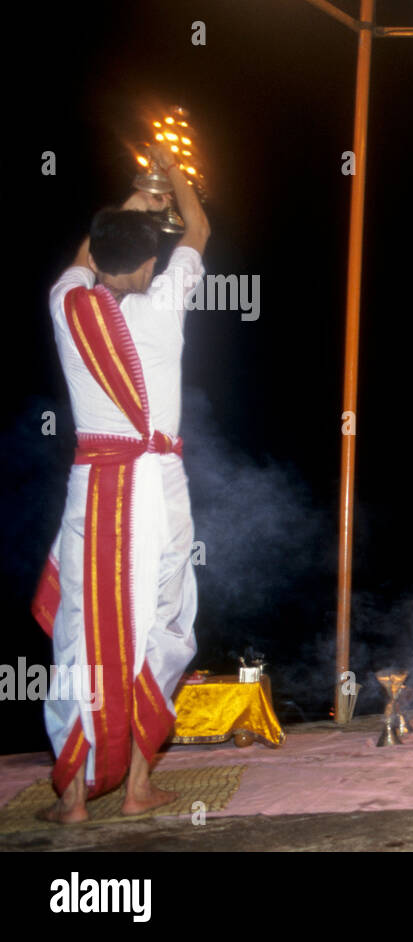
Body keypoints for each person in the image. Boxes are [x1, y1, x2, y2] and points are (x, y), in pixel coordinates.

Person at [32, 141, 211, 822]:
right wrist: (178, 182)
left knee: (85, 636)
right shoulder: (164, 302)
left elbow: (86, 261)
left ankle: (75, 797)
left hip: (99, 487)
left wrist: (135, 202)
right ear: (147, 264)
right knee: (162, 627)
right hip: (161, 488)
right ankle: (135, 787)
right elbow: (198, 231)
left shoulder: (67, 304)